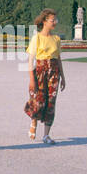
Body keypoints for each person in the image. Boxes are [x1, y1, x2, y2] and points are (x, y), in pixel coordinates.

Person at [26, 9, 66, 144]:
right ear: (44, 21)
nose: (55, 22)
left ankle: (46, 135)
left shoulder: (56, 39)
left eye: (56, 20)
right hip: (40, 70)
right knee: (38, 100)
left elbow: (59, 58)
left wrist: (63, 77)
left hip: (54, 72)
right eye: (52, 20)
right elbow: (30, 60)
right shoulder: (36, 37)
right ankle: (33, 122)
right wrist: (32, 78)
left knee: (51, 103)